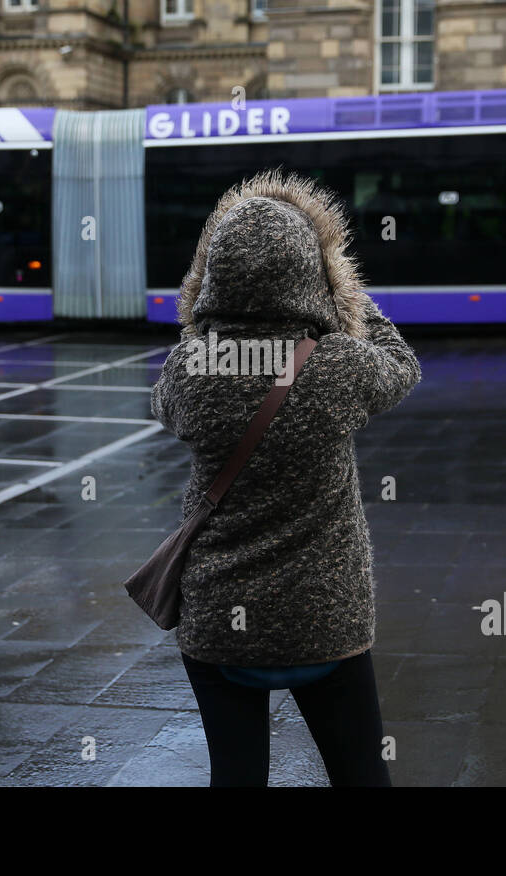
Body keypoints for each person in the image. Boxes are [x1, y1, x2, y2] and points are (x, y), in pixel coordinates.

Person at [150, 168, 422, 787]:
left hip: (219, 618)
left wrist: (203, 317)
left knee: (237, 776)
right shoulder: (339, 368)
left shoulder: (191, 368)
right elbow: (402, 363)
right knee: (359, 773)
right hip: (323, 620)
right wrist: (344, 294)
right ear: (313, 273)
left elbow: (165, 405)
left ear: (211, 274)